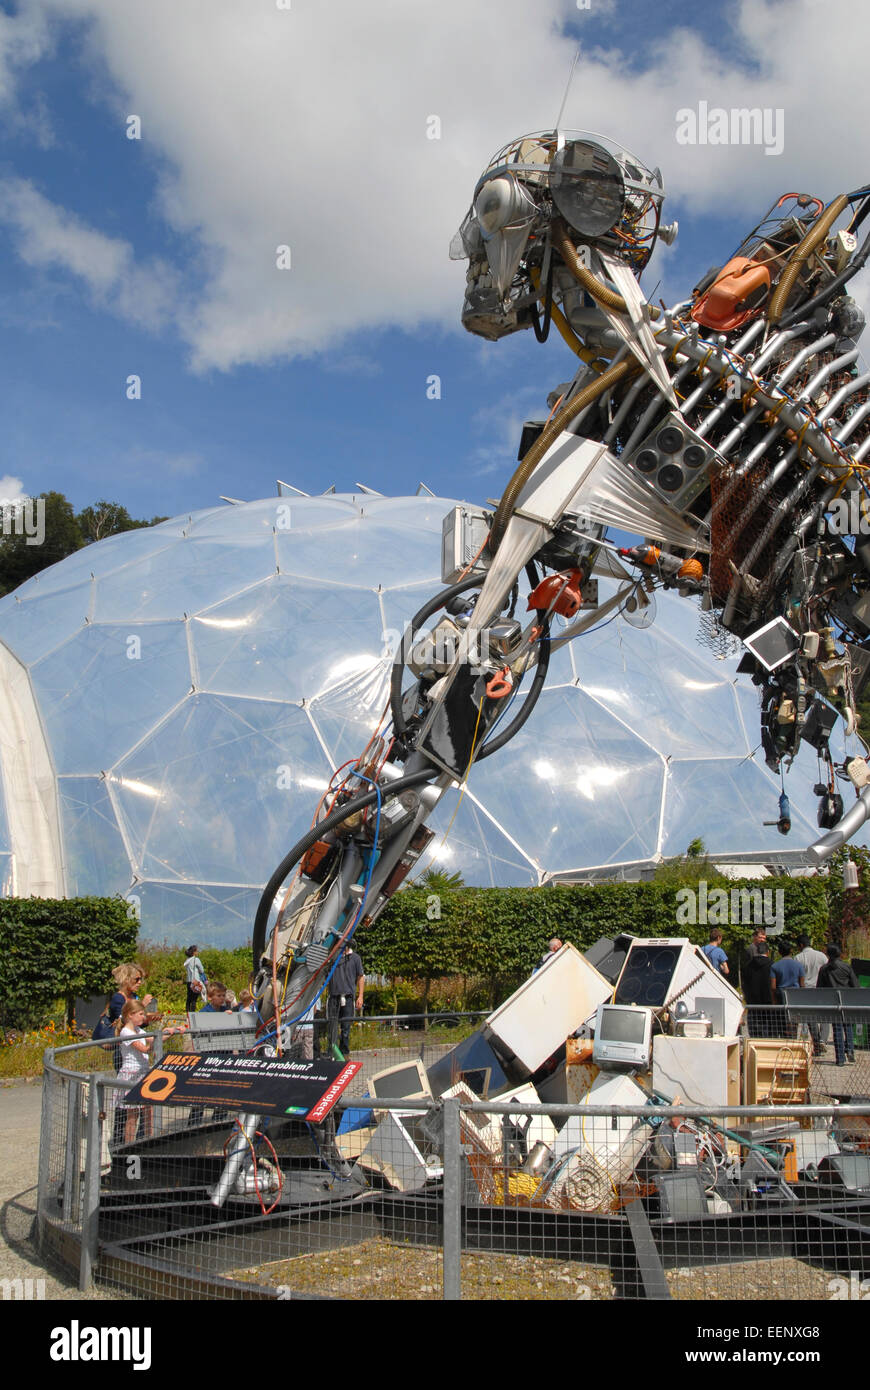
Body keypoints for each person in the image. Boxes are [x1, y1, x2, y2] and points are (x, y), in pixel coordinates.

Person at [114, 1000, 154, 1145]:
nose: (143, 1017)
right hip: (132, 1074)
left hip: (143, 1072)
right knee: (133, 1114)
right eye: (141, 1014)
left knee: (149, 1110)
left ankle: (150, 1141)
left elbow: (153, 1037)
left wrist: (171, 1032)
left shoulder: (139, 1031)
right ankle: (128, 1146)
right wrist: (153, 1043)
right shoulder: (126, 1031)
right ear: (130, 1015)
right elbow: (143, 1048)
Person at [819, 945, 859, 1066]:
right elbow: (855, 985)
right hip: (846, 1000)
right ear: (840, 954)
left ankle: (840, 1058)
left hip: (832, 1001)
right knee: (848, 1026)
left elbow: (819, 988)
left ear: (828, 954)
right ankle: (850, 1049)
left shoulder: (824, 969)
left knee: (836, 1029)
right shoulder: (846, 967)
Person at [327, 944, 364, 1059]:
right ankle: (332, 1052)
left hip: (347, 997)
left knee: (346, 1028)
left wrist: (360, 996)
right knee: (332, 1026)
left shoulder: (355, 958)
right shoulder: (333, 957)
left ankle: (345, 1053)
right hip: (334, 996)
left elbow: (360, 976)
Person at [796, 933, 829, 1056]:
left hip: (806, 991)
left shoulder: (798, 958)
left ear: (801, 945)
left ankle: (816, 1041)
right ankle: (823, 1040)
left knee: (811, 1017)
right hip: (820, 989)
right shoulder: (821, 956)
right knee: (825, 1016)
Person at [742, 942, 773, 1036]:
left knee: (754, 1032)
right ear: (768, 952)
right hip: (768, 1003)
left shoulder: (748, 965)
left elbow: (744, 984)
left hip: (752, 1003)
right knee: (767, 1031)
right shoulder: (772, 965)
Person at [183, 945, 207, 1012]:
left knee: (189, 998)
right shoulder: (196, 960)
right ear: (194, 952)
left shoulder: (187, 960)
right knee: (194, 999)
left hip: (188, 981)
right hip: (195, 981)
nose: (197, 952)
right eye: (196, 951)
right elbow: (202, 970)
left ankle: (187, 1013)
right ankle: (192, 1014)